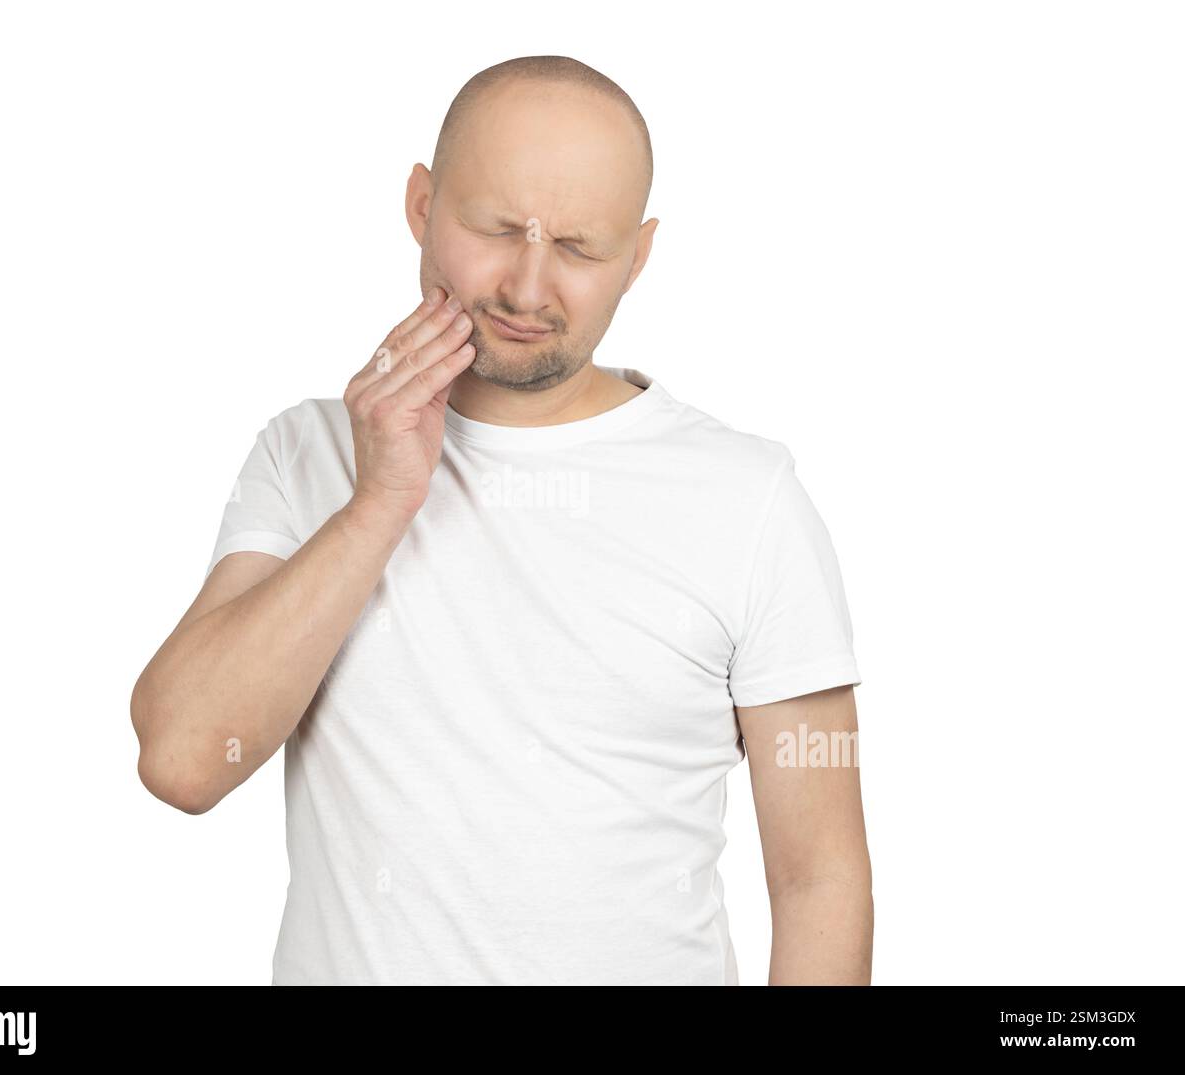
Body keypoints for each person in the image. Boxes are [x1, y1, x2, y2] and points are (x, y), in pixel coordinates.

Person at [131, 55, 873, 986]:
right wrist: (378, 506)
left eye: (579, 248)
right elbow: (182, 759)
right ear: (420, 205)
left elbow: (818, 879)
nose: (527, 289)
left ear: (638, 257)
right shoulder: (306, 455)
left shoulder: (748, 498)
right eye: (493, 229)